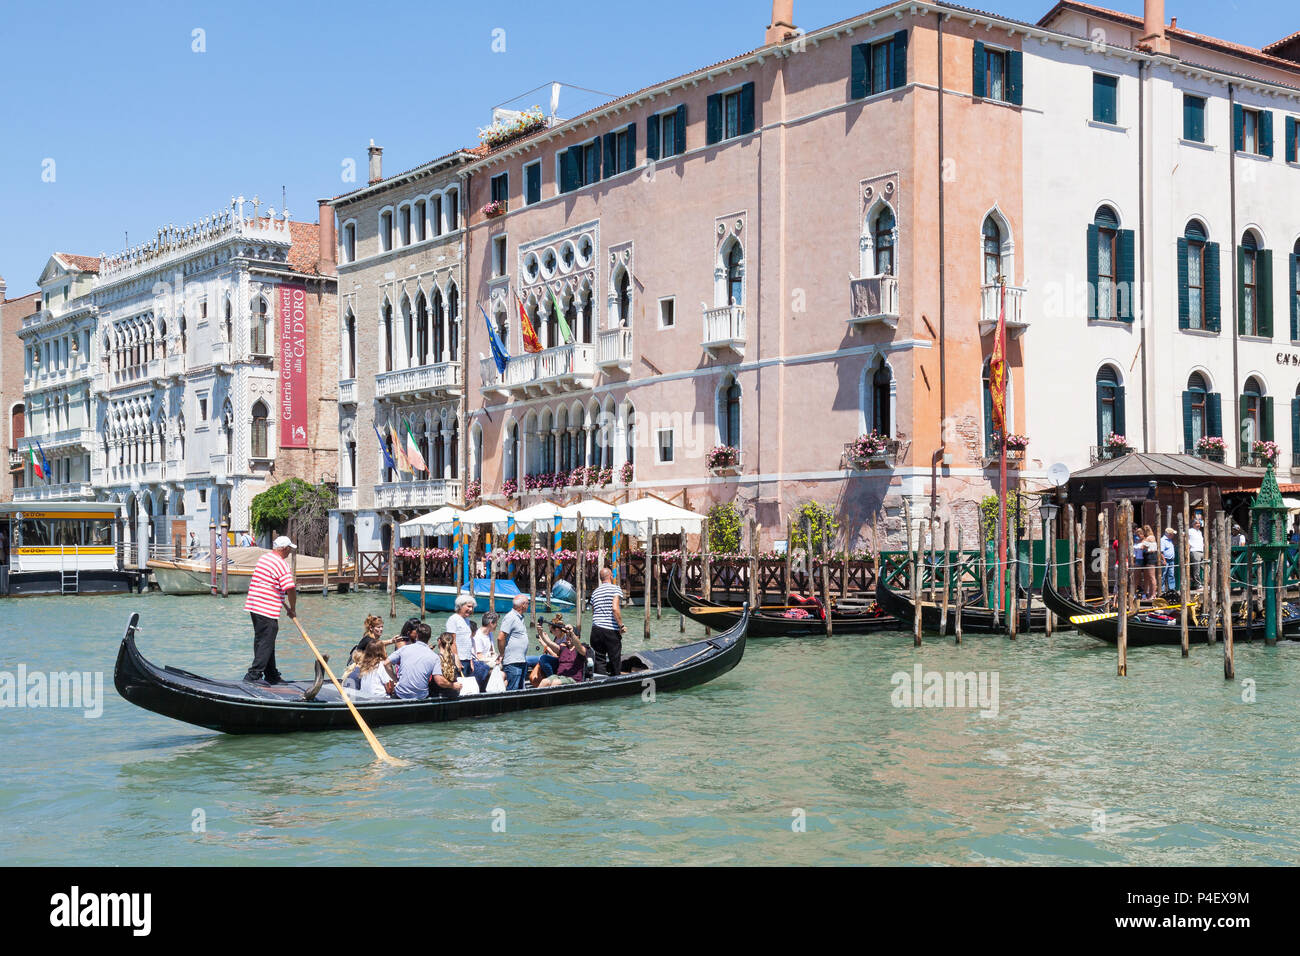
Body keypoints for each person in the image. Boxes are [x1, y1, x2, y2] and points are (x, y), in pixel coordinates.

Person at [242, 535, 298, 684]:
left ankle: (271, 675)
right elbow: (290, 589)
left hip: (254, 606)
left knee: (264, 640)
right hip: (266, 607)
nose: (289, 552)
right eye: (289, 549)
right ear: (284, 549)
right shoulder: (281, 564)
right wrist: (293, 608)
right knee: (266, 640)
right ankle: (253, 675)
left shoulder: (264, 558)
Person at [388, 621, 459, 699]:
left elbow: (386, 663)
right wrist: (453, 685)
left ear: (417, 636)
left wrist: (395, 680)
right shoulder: (434, 656)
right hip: (421, 696)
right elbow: (439, 681)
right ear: (429, 637)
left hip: (401, 694)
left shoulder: (404, 648)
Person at [587, 567, 626, 676]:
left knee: (599, 659)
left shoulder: (595, 592)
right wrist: (621, 625)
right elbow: (615, 608)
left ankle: (600, 682)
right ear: (611, 576)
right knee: (615, 659)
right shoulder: (616, 589)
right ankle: (616, 682)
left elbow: (594, 611)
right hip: (610, 630)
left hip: (595, 630)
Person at [535, 616, 589, 687]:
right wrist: (541, 633)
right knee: (544, 681)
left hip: (573, 679)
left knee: (555, 683)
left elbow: (580, 647)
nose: (568, 638)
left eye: (570, 636)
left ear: (577, 637)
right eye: (567, 636)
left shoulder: (581, 648)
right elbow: (550, 643)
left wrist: (571, 633)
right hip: (559, 676)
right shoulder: (563, 647)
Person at [496, 594, 532, 690]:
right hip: (513, 662)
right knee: (513, 690)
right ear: (523, 605)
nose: (528, 606)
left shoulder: (520, 617)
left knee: (520, 690)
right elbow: (500, 637)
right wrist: (502, 653)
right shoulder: (510, 617)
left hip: (521, 660)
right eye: (528, 603)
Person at [445, 594, 477, 676]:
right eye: (468, 606)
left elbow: (468, 641)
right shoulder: (453, 619)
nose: (471, 609)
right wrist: (456, 659)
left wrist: (470, 661)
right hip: (458, 659)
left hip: (467, 659)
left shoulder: (467, 620)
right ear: (460, 606)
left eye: (472, 607)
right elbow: (451, 641)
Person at [1139, 525, 1158, 601]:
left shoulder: (1150, 538)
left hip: (1151, 557)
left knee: (1151, 576)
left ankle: (1153, 594)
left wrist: (1143, 541)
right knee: (1147, 577)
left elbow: (1142, 547)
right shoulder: (1150, 538)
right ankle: (1149, 593)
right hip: (1147, 557)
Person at [1187, 517, 1205, 590]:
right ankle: (1198, 585)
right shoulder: (1190, 530)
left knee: (1206, 568)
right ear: (1193, 524)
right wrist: (1188, 544)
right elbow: (1183, 535)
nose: (1198, 525)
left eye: (1199, 523)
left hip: (1201, 551)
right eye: (1197, 523)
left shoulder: (1200, 532)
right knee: (1196, 569)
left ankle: (1204, 583)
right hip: (1194, 551)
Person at [1160, 528, 1177, 594]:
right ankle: (1162, 590)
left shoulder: (1170, 540)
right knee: (1163, 575)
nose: (1173, 535)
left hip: (1171, 560)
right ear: (1169, 534)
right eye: (1172, 534)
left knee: (1171, 575)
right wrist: (1163, 560)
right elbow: (1161, 552)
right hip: (1166, 560)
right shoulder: (1162, 540)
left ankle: (1172, 589)